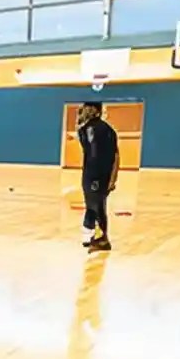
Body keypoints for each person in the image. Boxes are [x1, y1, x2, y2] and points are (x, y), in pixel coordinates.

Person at [77, 102, 118, 252]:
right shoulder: (107, 130)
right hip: (98, 173)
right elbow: (115, 155)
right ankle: (91, 236)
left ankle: (101, 239)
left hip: (94, 174)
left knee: (96, 206)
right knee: (95, 206)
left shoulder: (90, 129)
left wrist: (110, 177)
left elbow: (97, 154)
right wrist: (113, 177)